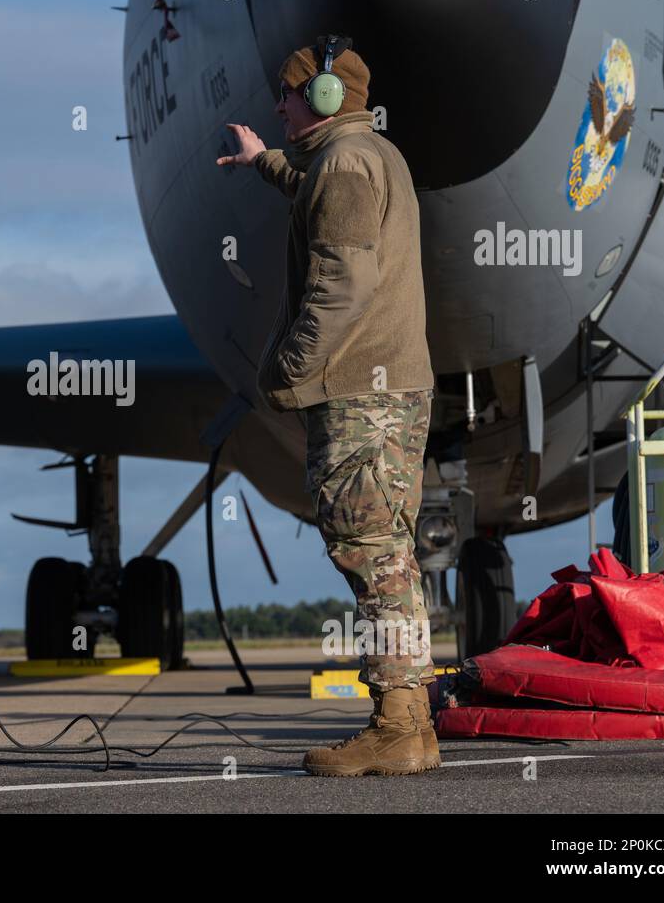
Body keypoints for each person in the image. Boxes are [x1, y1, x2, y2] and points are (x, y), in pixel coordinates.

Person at [217, 38, 439, 776]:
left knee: (372, 554)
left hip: (359, 394)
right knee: (387, 553)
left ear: (320, 99)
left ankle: (399, 725)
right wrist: (262, 162)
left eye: (286, 93)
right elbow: (318, 191)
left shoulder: (344, 165)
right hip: (388, 389)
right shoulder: (364, 156)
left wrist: (287, 371)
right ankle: (407, 722)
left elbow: (341, 287)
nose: (276, 104)